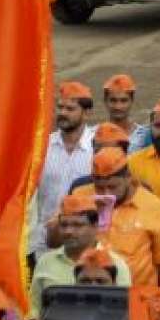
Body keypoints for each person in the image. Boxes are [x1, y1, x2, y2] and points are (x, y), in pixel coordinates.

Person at [79, 147, 160, 289]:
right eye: (99, 187)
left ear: (128, 177)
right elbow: (54, 239)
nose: (107, 193)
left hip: (137, 298)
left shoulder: (155, 207)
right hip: (88, 293)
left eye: (113, 186)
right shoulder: (80, 197)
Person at [30, 194, 132, 320]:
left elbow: (124, 314)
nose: (68, 231)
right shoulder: (45, 262)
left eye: (77, 225)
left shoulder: (116, 264)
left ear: (95, 227)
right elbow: (35, 310)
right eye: (64, 225)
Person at [31, 82, 95, 258]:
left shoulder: (97, 148)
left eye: (70, 108)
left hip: (86, 249)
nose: (62, 113)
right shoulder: (42, 147)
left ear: (87, 113)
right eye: (60, 107)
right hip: (45, 246)